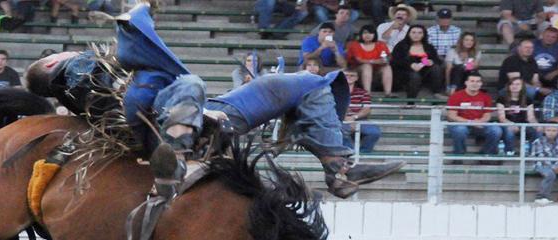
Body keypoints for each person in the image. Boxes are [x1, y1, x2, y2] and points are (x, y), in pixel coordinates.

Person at [34, 5, 402, 198]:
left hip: (202, 109)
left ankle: (338, 169)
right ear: (51, 63)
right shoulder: (75, 70)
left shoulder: (80, 78)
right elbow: (126, 99)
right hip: (159, 117)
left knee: (308, 82)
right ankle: (176, 158)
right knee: (190, 83)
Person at [446, 72, 502, 159]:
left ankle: (486, 155)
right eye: (472, 81)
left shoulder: (486, 97)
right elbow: (452, 116)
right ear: (466, 83)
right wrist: (470, 122)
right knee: (460, 130)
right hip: (460, 124)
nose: (475, 84)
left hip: (479, 124)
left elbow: (487, 115)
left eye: (478, 81)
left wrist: (480, 121)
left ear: (481, 84)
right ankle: (459, 155)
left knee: (496, 130)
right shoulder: (456, 96)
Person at [389, 24, 444, 99]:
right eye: (413, 32)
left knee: (436, 68)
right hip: (404, 73)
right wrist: (410, 65)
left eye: (419, 33)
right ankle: (410, 100)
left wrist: (431, 61)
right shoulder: (401, 46)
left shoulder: (428, 46)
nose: (416, 35)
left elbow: (437, 60)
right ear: (409, 34)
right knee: (414, 76)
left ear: (423, 35)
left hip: (424, 72)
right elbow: (395, 61)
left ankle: (437, 92)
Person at [530, 122, 558, 203]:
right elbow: (540, 157)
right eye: (548, 130)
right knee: (550, 174)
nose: (551, 132)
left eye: (554, 130)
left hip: (557, 165)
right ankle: (541, 197)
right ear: (544, 131)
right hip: (540, 165)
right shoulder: (538, 141)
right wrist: (553, 167)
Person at [341, 68, 381, 153]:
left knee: (374, 132)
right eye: (346, 75)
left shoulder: (363, 93)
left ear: (357, 78)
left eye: (352, 75)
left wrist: (354, 117)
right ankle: (350, 153)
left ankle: (363, 153)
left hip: (360, 120)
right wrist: (346, 119)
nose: (349, 77)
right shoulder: (334, 92)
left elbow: (367, 109)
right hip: (341, 120)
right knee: (339, 130)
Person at [495, 75, 536, 154]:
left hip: (524, 124)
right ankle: (509, 152)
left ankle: (533, 152)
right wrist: (512, 124)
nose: (514, 86)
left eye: (517, 84)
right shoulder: (501, 99)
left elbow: (531, 117)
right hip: (507, 124)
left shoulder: (528, 99)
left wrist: (536, 125)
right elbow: (502, 118)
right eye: (512, 84)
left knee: (537, 131)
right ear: (509, 86)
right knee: (509, 131)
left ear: (522, 86)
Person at [346, 26, 392, 93]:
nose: (367, 35)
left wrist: (380, 61)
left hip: (376, 74)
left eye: (370, 33)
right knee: (367, 66)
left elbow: (385, 60)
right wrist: (376, 61)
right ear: (361, 34)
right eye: (365, 33)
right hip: (357, 73)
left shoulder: (381, 44)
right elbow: (360, 60)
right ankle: (367, 93)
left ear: (374, 34)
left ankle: (388, 93)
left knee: (387, 67)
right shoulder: (355, 45)